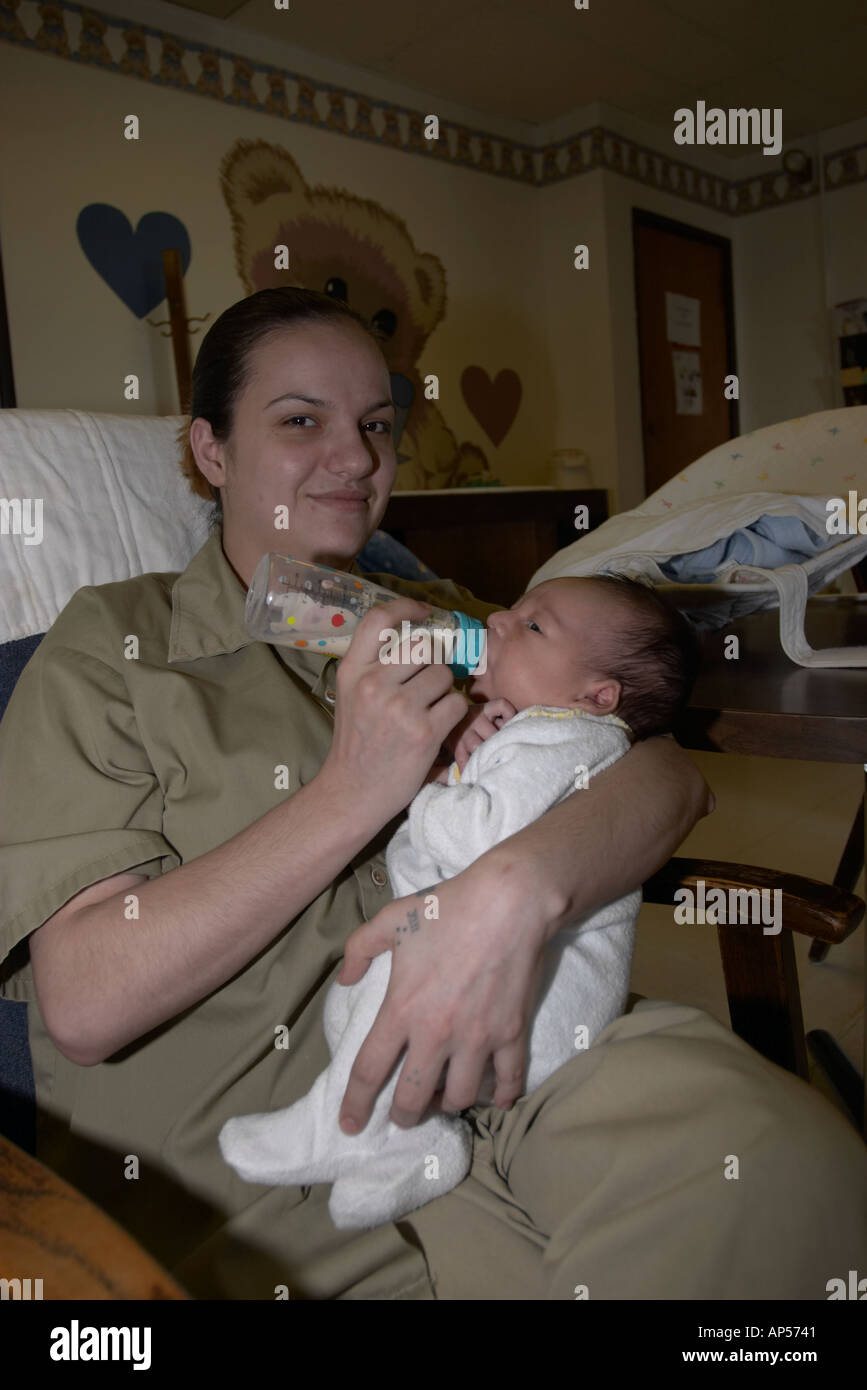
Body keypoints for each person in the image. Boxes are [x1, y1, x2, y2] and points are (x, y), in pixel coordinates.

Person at [1, 288, 865, 1301]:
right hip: (279, 1182)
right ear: (211, 452)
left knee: (793, 1176)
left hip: (521, 1069)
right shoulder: (110, 647)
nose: (357, 457)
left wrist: (517, 889)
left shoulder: (458, 621)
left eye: (375, 425)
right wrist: (350, 791)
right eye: (300, 421)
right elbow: (88, 999)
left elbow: (668, 775)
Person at [218, 573, 702, 1232]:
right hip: (500, 997)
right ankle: (413, 1142)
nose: (498, 616)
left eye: (532, 626)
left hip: (534, 1014)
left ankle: (339, 1126)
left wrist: (430, 785)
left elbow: (483, 835)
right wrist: (471, 763)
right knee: (356, 997)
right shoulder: (542, 730)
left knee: (385, 976)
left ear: (596, 696)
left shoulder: (568, 738)